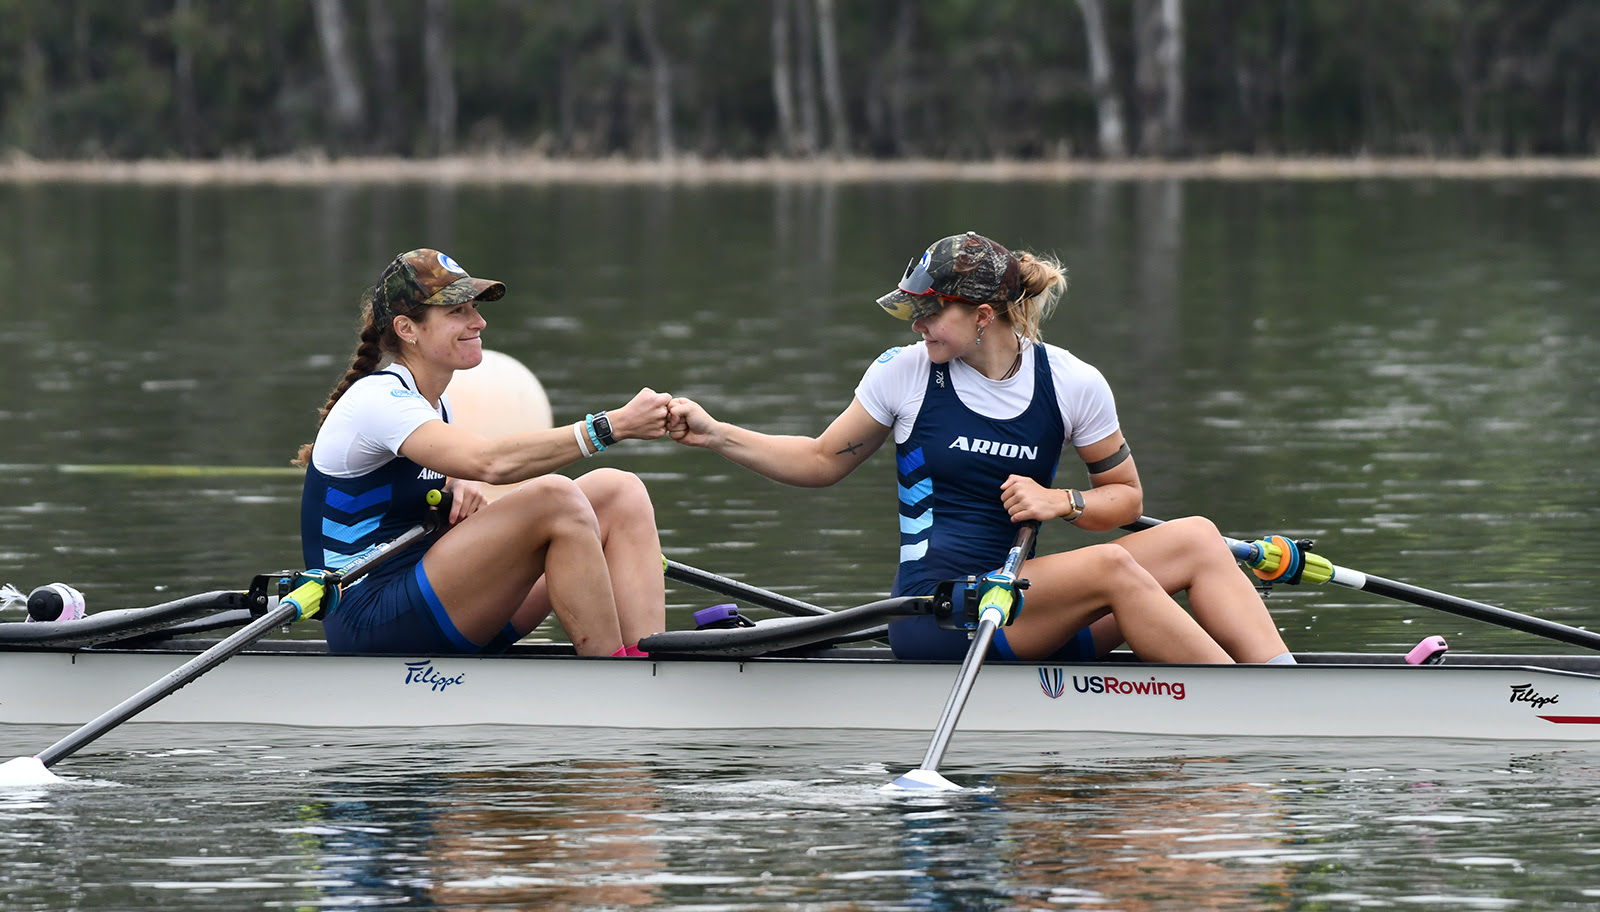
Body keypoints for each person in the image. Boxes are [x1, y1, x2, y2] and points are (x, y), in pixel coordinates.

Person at [666, 232, 1292, 665]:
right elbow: (819, 461)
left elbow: (1125, 500)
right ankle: (1253, 708)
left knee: (1200, 538)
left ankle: (1284, 683)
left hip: (1021, 609)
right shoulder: (905, 373)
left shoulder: (1072, 381)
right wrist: (716, 432)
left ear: (985, 315)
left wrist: (1061, 501)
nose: (918, 327)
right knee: (1111, 568)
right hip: (940, 615)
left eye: (931, 312)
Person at [293, 248, 669, 657]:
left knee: (619, 491)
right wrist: (610, 427)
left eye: (473, 308)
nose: (479, 322)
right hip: (371, 617)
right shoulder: (377, 399)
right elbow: (490, 461)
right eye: (457, 312)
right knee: (556, 499)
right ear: (407, 328)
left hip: (434, 601)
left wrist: (456, 480)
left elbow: (452, 467)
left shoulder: (434, 403)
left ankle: (649, 658)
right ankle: (616, 683)